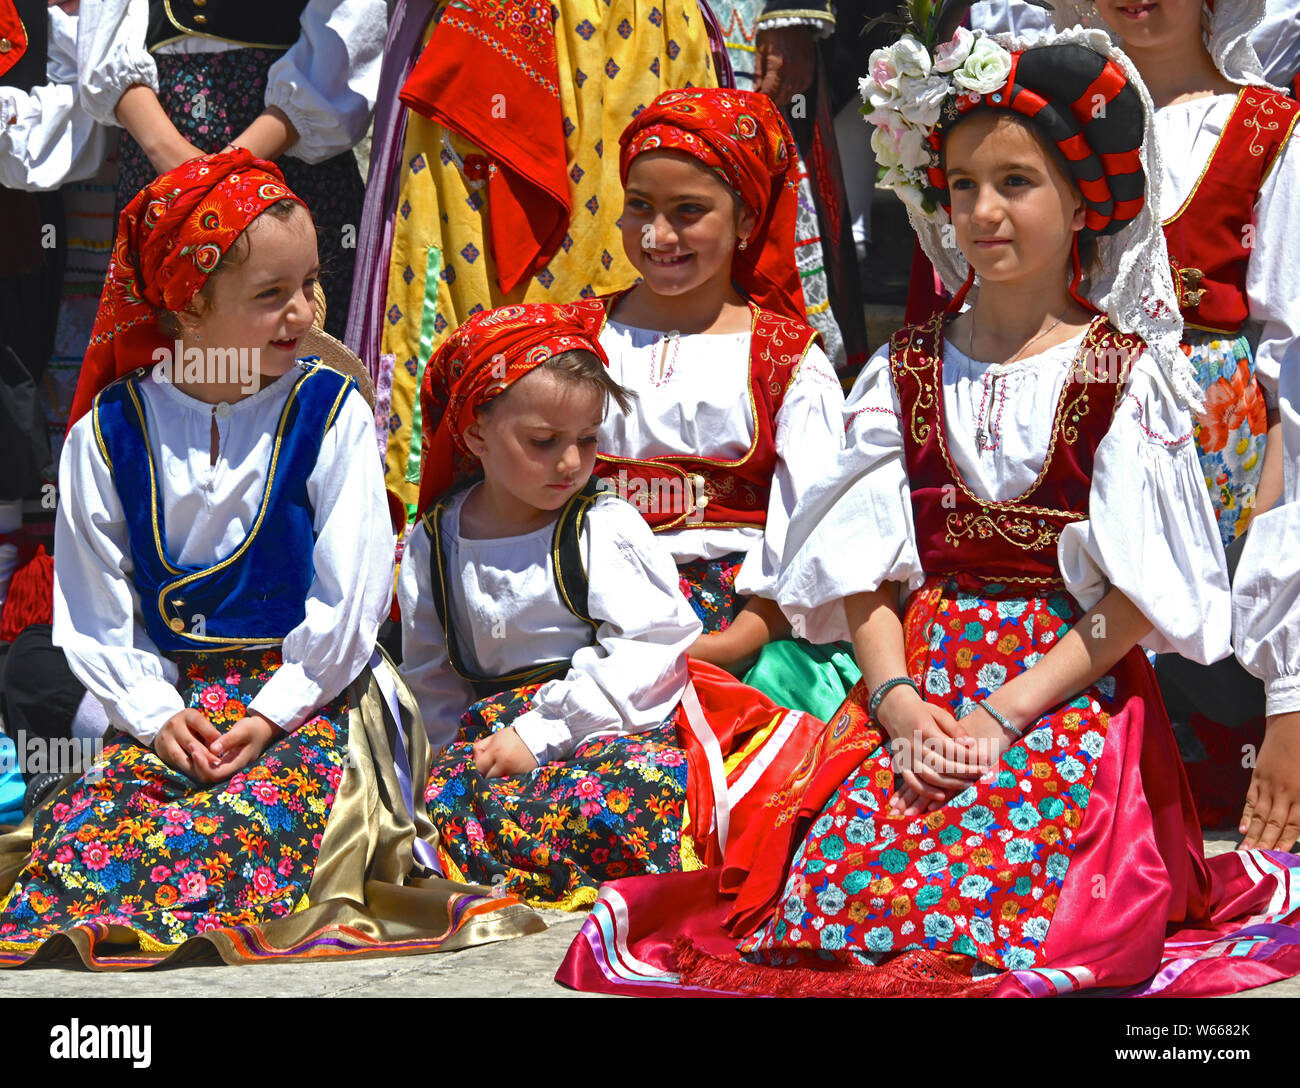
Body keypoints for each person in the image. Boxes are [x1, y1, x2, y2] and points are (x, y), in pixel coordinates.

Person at [556, 28, 1300, 999]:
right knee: (838, 899)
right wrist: (899, 701)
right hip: (919, 676)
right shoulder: (903, 371)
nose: (982, 210)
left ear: (1081, 201)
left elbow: (1135, 598)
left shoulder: (1122, 375)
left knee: (1001, 903)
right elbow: (861, 569)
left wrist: (1001, 714)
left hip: (1061, 690)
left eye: (1014, 183)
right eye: (959, 186)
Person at [0, 150, 541, 968]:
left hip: (314, 697)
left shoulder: (331, 413)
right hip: (182, 711)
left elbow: (349, 604)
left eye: (312, 284)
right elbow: (98, 616)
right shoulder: (105, 437)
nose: (303, 312)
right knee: (100, 835)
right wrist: (154, 718)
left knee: (249, 834)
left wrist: (269, 713)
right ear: (187, 307)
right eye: (270, 296)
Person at [402, 302, 824, 909]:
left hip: (606, 720)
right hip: (497, 733)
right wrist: (440, 758)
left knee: (632, 784)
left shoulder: (603, 527)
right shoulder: (434, 541)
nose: (571, 463)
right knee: (442, 798)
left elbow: (650, 649)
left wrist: (544, 731)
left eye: (587, 440)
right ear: (474, 433)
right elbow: (430, 672)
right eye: (543, 442)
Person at [1052, 0, 1299, 827]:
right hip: (1079, 407)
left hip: (1214, 433)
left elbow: (1287, 342)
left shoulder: (1268, 127)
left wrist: (1273, 493)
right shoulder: (1049, 117)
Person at [351, 0, 721, 513]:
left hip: (634, 35)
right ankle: (439, 546)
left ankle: (628, 532)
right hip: (484, 44)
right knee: (467, 306)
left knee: (630, 244)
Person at [568, 87, 858, 723]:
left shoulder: (787, 362)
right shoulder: (573, 341)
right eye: (638, 206)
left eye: (689, 210)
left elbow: (812, 534)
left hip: (736, 633)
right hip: (581, 618)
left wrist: (728, 644)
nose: (658, 233)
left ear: (748, 221)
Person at [74, 0, 385, 340]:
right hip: (160, 141)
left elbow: (349, 28)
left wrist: (220, 170)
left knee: (296, 344)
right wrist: (176, 158)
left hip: (287, 145)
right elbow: (105, 36)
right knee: (167, 351)